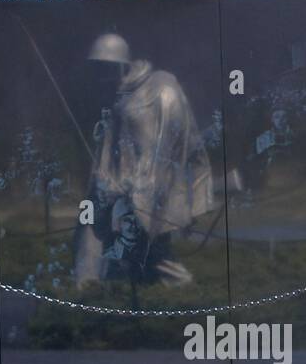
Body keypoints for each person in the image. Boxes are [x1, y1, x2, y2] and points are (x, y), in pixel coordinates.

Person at [73, 33, 211, 286]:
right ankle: (87, 283)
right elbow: (113, 148)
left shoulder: (160, 90)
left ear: (121, 65)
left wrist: (135, 188)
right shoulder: (119, 95)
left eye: (107, 67)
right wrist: (107, 182)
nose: (101, 75)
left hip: (150, 188)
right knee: (93, 227)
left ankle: (184, 287)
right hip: (117, 185)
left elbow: (165, 150)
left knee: (153, 250)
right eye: (98, 68)